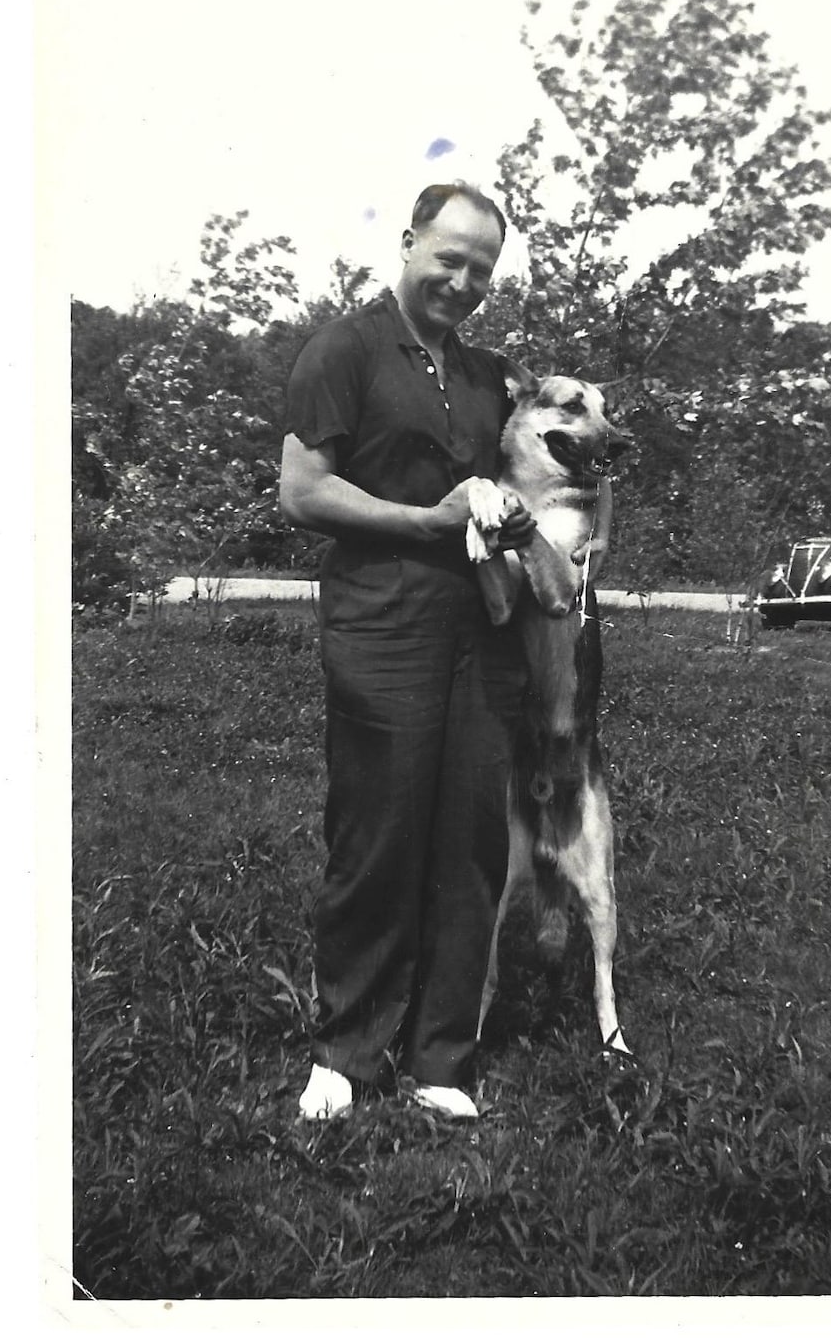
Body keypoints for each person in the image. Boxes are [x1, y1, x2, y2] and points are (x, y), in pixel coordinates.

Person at [279, 183, 535, 1121]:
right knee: (377, 834)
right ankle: (347, 1050)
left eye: (481, 270)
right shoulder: (344, 350)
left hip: (484, 630)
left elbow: (533, 472)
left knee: (471, 842)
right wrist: (427, 522)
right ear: (408, 242)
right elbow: (303, 492)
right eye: (448, 258)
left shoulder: (488, 374)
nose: (462, 282)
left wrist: (517, 517)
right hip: (382, 622)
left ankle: (441, 1058)